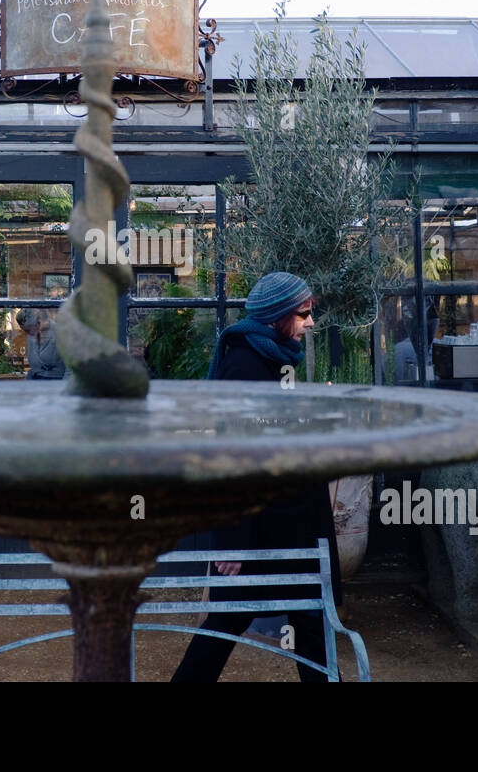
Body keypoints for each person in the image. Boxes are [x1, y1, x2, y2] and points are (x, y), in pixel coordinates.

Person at [171, 271, 341, 683]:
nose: (311, 322)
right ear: (276, 316)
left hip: (289, 521)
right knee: (231, 618)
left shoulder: (272, 356)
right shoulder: (246, 365)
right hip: (264, 526)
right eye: (303, 314)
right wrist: (231, 540)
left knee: (308, 619)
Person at [16, 308, 66, 379]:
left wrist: (64, 386)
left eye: (28, 330)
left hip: (56, 381)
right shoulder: (32, 333)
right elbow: (34, 362)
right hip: (35, 380)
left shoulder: (60, 332)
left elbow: (72, 368)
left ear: (38, 323)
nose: (27, 333)